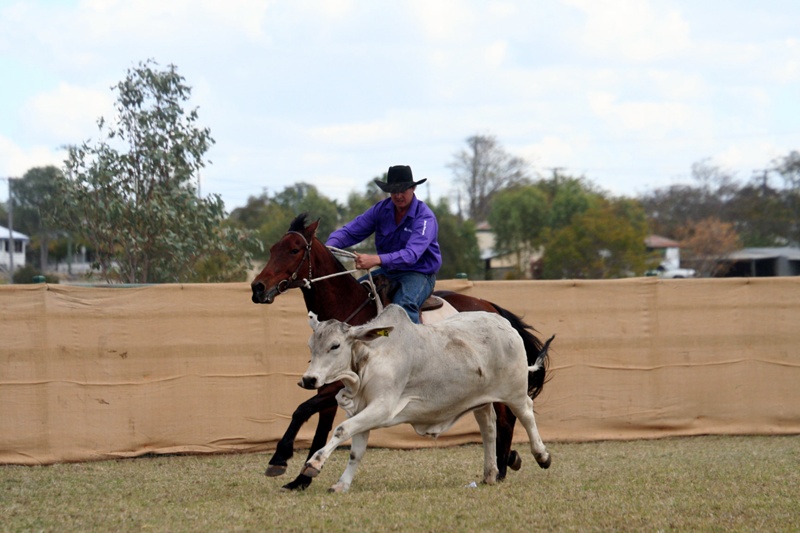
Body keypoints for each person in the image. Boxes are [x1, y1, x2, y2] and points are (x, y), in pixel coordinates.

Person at [326, 165, 442, 324]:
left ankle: (410, 347)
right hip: (389, 272)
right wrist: (328, 247)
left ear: (413, 188)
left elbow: (411, 255)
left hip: (419, 274)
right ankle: (372, 338)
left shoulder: (424, 218)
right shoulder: (380, 210)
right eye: (394, 191)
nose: (398, 195)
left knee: (403, 307)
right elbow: (351, 231)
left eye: (403, 190)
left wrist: (376, 260)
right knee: (350, 297)